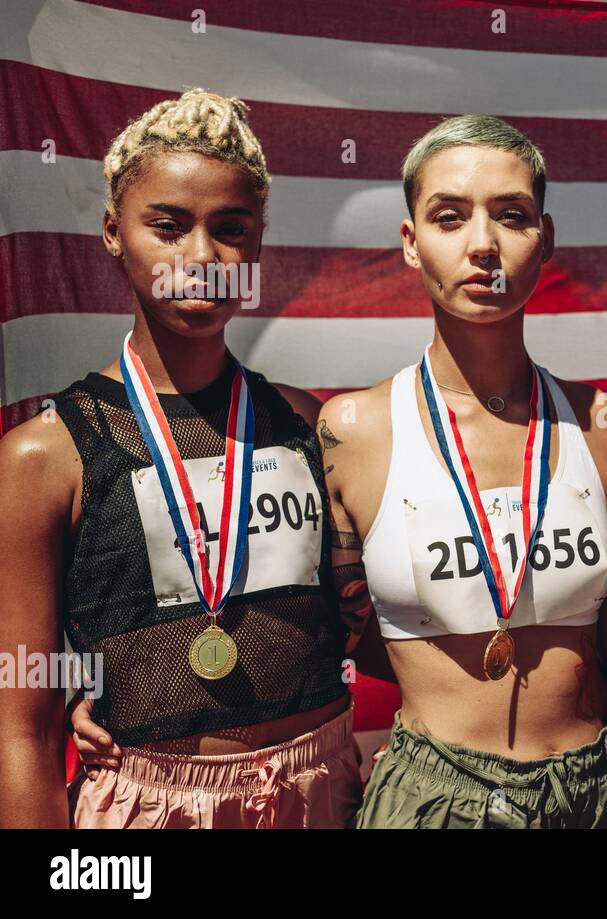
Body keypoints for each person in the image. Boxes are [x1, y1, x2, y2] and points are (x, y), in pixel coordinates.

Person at [0, 89, 362, 828]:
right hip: (147, 806)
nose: (201, 258)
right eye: (167, 226)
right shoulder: (44, 451)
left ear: (257, 244)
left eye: (230, 229)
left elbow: (380, 627)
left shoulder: (307, 421)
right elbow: (20, 722)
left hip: (324, 787)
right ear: (112, 231)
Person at [328, 115, 607, 829]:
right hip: (437, 794)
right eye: (449, 216)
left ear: (546, 239)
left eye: (511, 215)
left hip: (606, 786)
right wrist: (102, 689)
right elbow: (296, 620)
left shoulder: (606, 424)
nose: (482, 245)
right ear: (411, 243)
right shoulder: (351, 433)